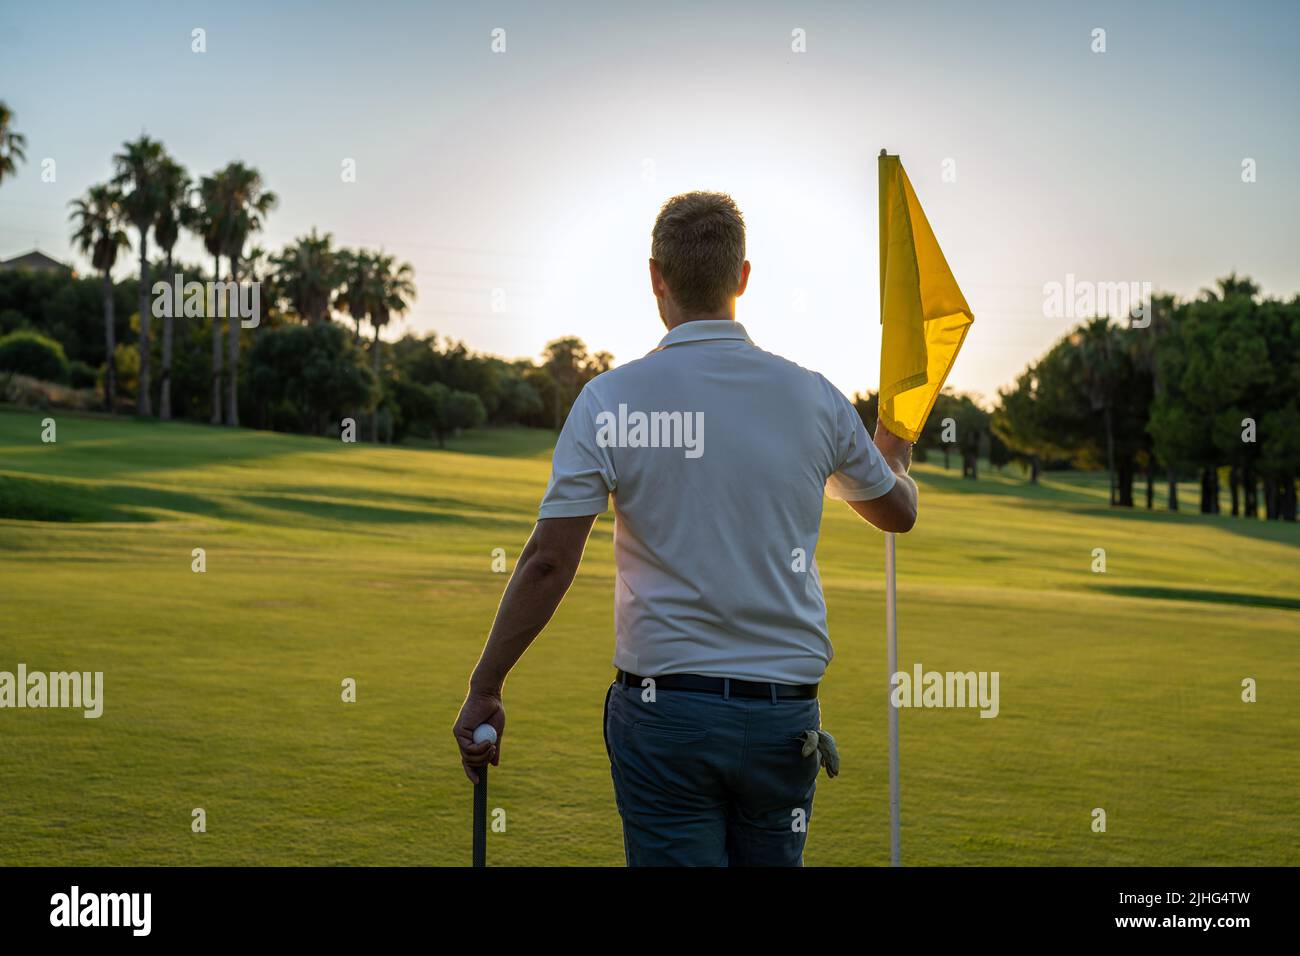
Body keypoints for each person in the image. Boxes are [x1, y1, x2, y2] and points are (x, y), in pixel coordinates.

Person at [453, 191, 917, 865]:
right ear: (743, 278)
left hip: (665, 714)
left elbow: (549, 561)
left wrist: (486, 684)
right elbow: (896, 513)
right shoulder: (814, 395)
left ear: (655, 278)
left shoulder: (610, 399)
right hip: (785, 715)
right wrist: (894, 452)